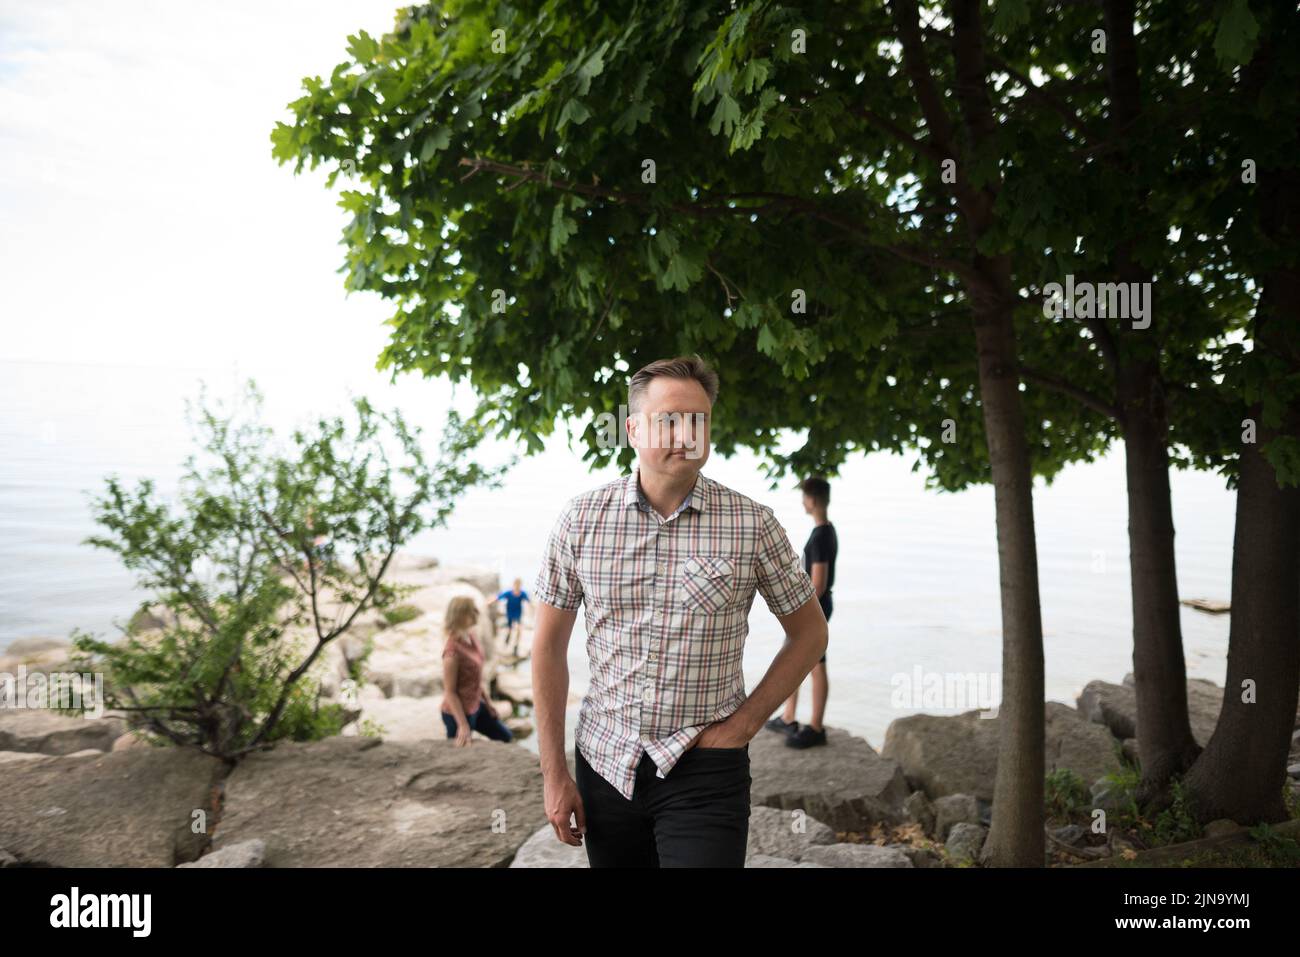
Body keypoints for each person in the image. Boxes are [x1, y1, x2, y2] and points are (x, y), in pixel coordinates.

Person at [530, 355, 828, 867]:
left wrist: (743, 726)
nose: (685, 434)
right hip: (604, 763)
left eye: (698, 420)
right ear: (632, 429)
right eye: (669, 419)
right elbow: (548, 646)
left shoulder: (751, 524)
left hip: (705, 768)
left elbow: (809, 634)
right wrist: (554, 773)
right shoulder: (582, 519)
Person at [766, 477, 837, 748]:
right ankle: (788, 716)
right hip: (817, 606)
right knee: (795, 658)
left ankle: (816, 727)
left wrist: (800, 607)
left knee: (815, 666)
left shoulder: (820, 536)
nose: (802, 502)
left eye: (804, 497)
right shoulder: (827, 530)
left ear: (812, 500)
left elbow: (818, 582)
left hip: (815, 608)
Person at [440, 596, 513, 745]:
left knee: (505, 736)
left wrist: (489, 704)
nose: (477, 613)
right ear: (460, 615)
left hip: (477, 705)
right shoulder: (451, 652)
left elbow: (475, 678)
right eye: (472, 611)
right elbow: (450, 692)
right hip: (457, 714)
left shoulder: (471, 637)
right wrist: (463, 725)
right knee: (459, 756)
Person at [495, 578, 532, 656]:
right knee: (509, 629)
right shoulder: (508, 593)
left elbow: (529, 601)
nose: (517, 587)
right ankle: (508, 638)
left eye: (519, 585)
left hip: (518, 614)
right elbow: (498, 597)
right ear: (514, 585)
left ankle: (516, 646)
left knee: (519, 629)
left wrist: (532, 609)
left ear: (520, 586)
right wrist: (488, 602)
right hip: (509, 614)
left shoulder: (522, 594)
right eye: (516, 585)